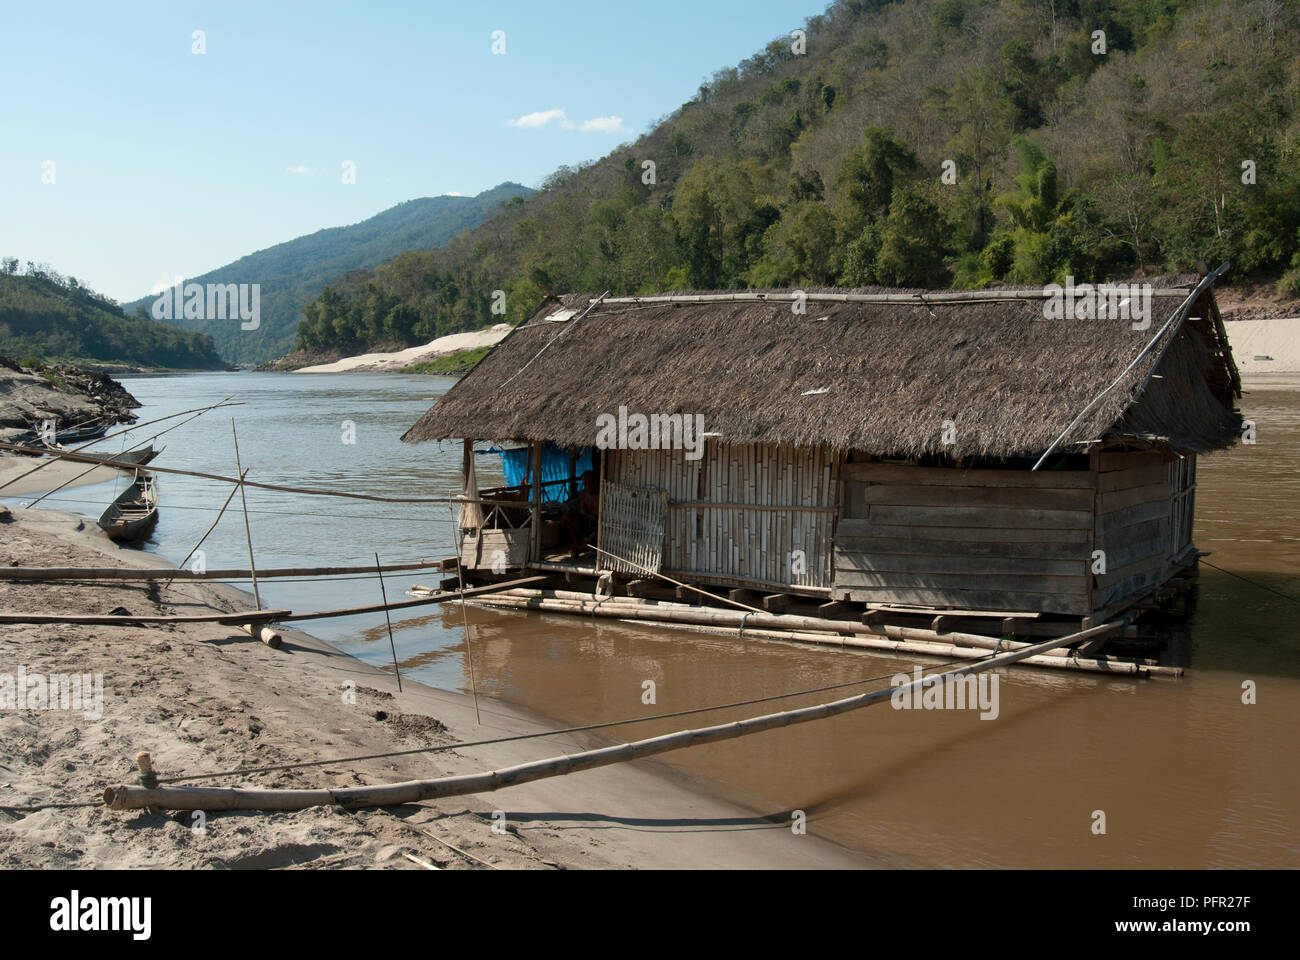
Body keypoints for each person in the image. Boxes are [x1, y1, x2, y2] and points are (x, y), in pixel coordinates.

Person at [558, 469, 600, 558]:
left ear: (595, 482)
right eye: (585, 484)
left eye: (589, 483)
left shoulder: (602, 494)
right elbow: (582, 509)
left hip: (598, 523)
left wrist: (594, 518)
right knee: (565, 518)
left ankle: (581, 547)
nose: (587, 486)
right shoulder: (583, 493)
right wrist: (586, 514)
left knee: (597, 531)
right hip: (586, 520)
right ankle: (577, 542)